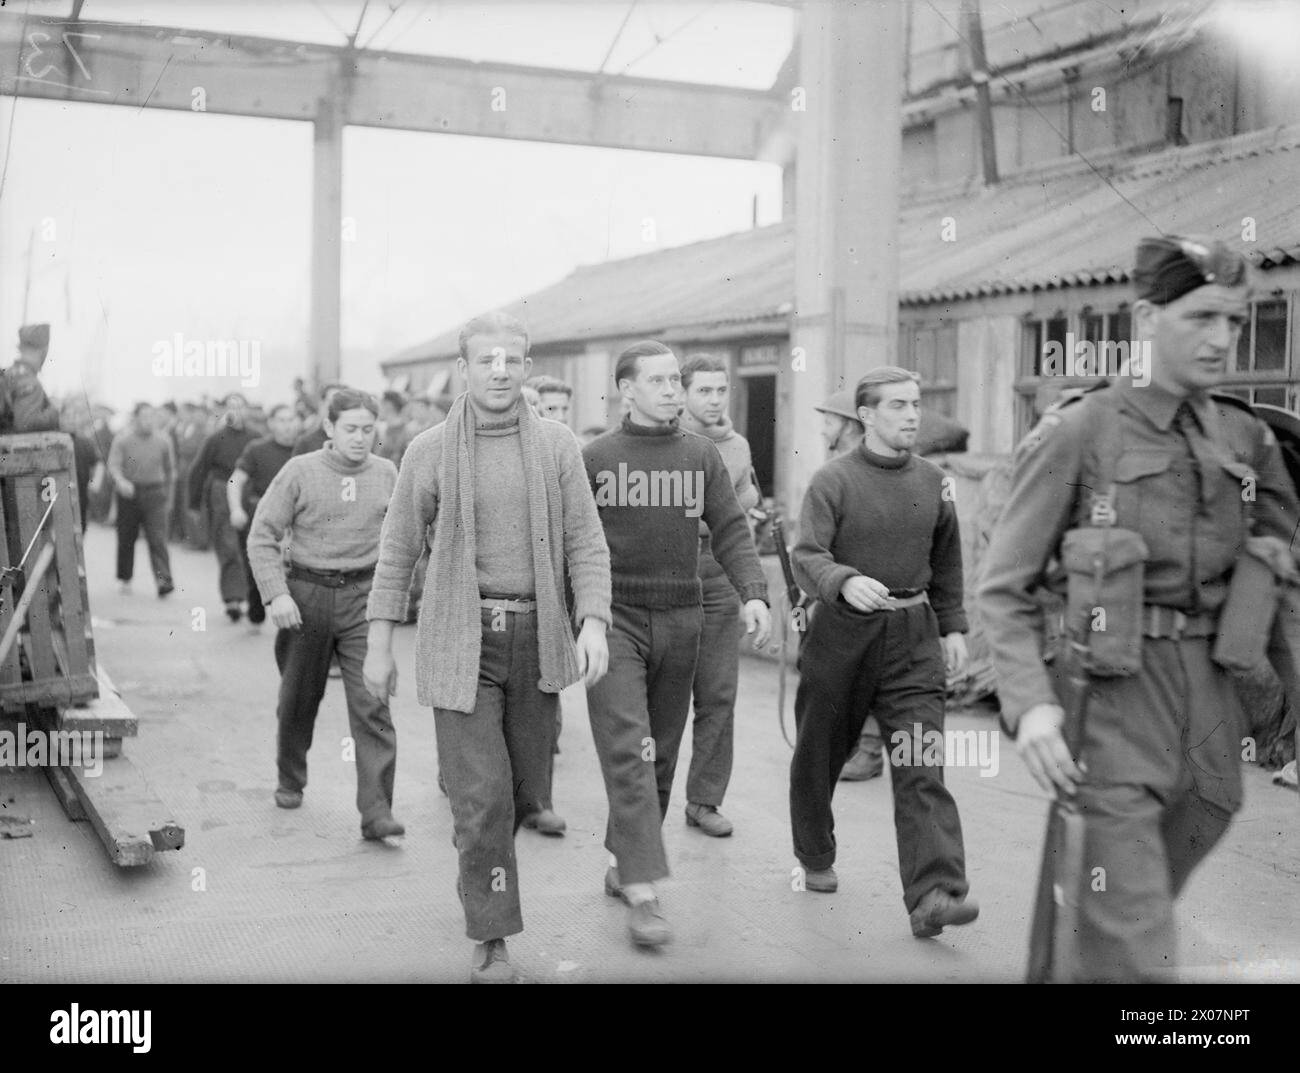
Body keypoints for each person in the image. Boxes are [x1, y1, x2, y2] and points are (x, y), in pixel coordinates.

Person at [978, 236, 1300, 982]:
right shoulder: (1081, 430)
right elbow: (1005, 582)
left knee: (1126, 902)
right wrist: (1030, 706)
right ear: (1147, 317)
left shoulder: (1245, 434)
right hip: (1115, 695)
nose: (1224, 339)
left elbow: (1281, 569)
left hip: (1216, 702)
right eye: (1203, 319)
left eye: (1235, 319)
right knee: (1132, 936)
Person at [363, 311, 612, 984]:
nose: (499, 371)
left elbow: (587, 542)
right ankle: (493, 934)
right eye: (486, 360)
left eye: (511, 360)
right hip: (460, 641)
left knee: (527, 792)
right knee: (484, 802)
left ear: (525, 368)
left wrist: (592, 619)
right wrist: (378, 645)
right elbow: (397, 553)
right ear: (464, 370)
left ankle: (482, 847)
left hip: (537, 643)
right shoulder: (427, 450)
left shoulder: (559, 447)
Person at [583, 340, 770, 949]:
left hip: (683, 617)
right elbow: (571, 544)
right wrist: (579, 618)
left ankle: (623, 859)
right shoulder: (596, 459)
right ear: (626, 390)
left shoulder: (701, 456)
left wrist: (754, 592)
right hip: (616, 621)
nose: (672, 391)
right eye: (659, 381)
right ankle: (644, 890)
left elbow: (732, 529)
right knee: (630, 748)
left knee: (660, 752)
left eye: (674, 381)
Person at [790, 366, 978, 939]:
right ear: (865, 417)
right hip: (843, 634)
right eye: (898, 405)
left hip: (914, 635)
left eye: (916, 403)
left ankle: (934, 893)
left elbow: (947, 561)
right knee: (821, 752)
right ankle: (815, 855)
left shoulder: (935, 482)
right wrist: (842, 580)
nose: (913, 415)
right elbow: (806, 554)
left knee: (921, 762)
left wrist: (952, 628)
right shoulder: (833, 480)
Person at [248, 389, 404, 843]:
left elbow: (403, 538)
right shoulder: (300, 471)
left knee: (373, 699)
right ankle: (290, 777)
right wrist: (276, 595)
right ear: (329, 429)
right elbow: (262, 536)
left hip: (363, 599)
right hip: (306, 597)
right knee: (298, 698)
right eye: (350, 429)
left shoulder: (387, 473)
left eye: (368, 429)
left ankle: (377, 811)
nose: (359, 438)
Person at [676, 353, 762, 837]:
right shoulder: (668, 441)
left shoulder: (739, 447)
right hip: (667, 572)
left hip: (718, 574)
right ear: (683, 394)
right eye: (703, 390)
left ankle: (704, 800)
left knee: (717, 693)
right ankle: (643, 800)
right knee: (660, 698)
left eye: (720, 390)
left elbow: (744, 505)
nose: (713, 400)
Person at [813, 390, 883, 783]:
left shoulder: (853, 464)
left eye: (829, 419)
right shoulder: (837, 463)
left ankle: (869, 751)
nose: (824, 427)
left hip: (860, 578)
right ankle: (857, 745)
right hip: (842, 578)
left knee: (865, 671)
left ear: (848, 424)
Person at [229, 404, 301, 629]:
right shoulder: (257, 449)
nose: (287, 426)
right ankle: (256, 605)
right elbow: (235, 480)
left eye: (291, 420)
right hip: (262, 513)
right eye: (281, 420)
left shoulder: (305, 448)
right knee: (256, 563)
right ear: (271, 423)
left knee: (296, 567)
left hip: (298, 516)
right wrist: (235, 509)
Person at [188, 394, 257, 621]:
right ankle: (233, 598)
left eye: (240, 406)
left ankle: (250, 595)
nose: (236, 411)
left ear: (247, 410)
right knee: (227, 545)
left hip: (250, 493)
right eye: (231, 407)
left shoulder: (256, 439)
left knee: (250, 546)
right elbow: (198, 469)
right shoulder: (215, 439)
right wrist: (194, 502)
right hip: (221, 492)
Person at [107, 403, 175, 597]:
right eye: (144, 416)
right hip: (129, 493)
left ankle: (163, 579)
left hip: (155, 493)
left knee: (157, 538)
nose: (148, 421)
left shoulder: (163, 440)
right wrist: (120, 481)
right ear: (135, 418)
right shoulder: (123, 440)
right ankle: (125, 577)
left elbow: (170, 471)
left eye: (151, 416)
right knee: (127, 537)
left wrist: (168, 498)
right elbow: (114, 465)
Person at [1, 324, 61, 434]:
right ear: (43, 352)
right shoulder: (29, 381)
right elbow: (25, 424)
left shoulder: (9, 373)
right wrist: (56, 413)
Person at [293, 383, 346, 456]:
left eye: (341, 402)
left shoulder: (355, 441)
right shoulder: (305, 443)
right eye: (332, 401)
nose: (336, 406)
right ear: (322, 403)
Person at [376, 390, 411, 466]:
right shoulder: (382, 430)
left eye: (381, 404)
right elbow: (379, 448)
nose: (378, 408)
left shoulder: (407, 431)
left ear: (388, 405)